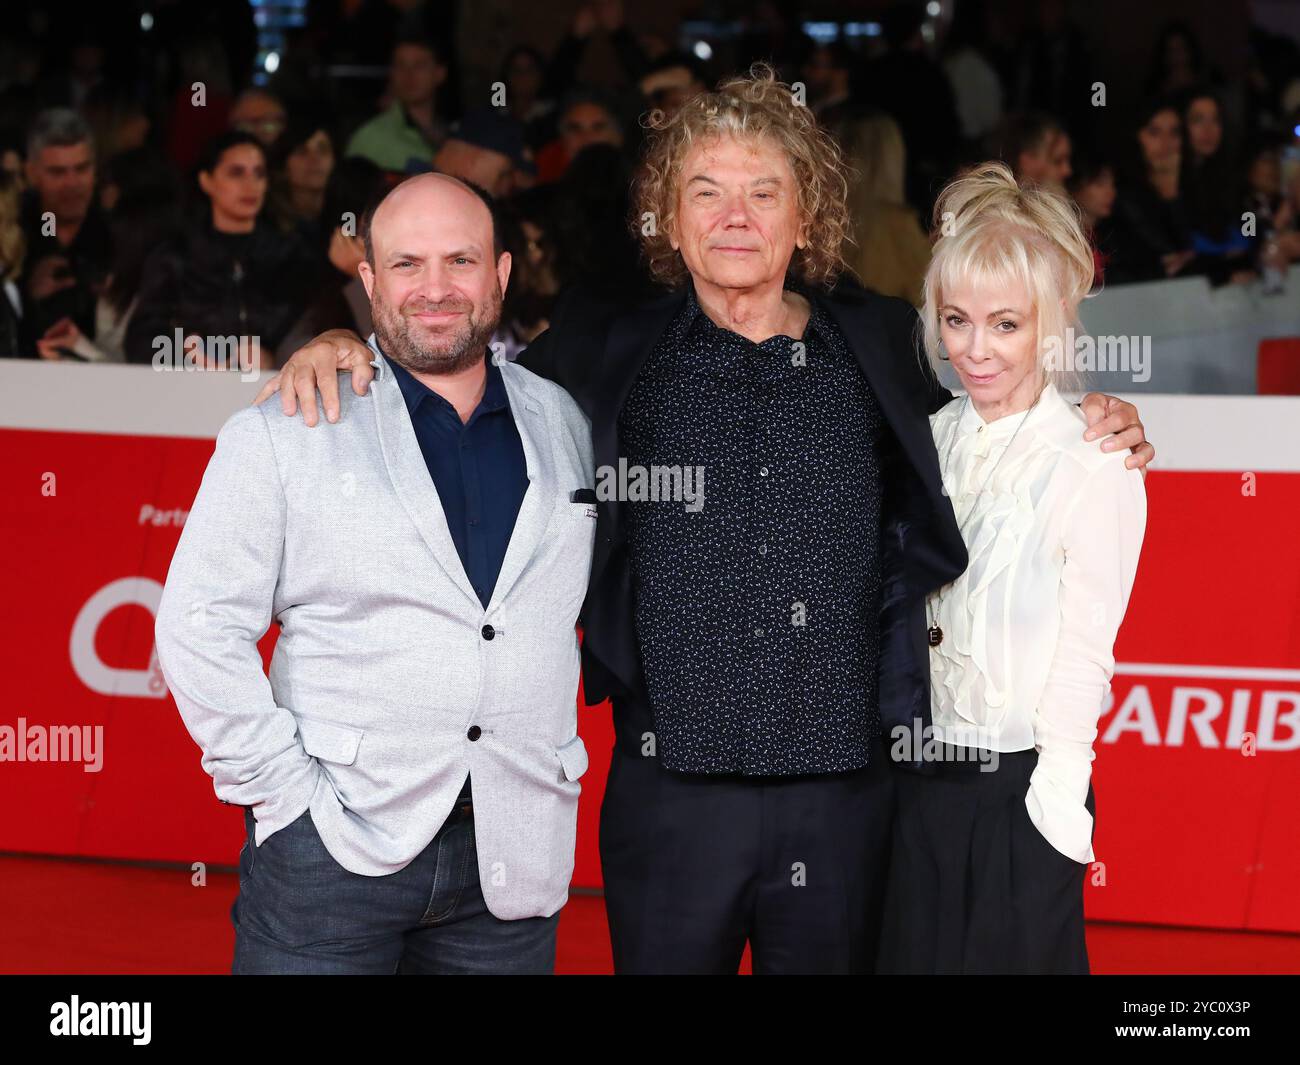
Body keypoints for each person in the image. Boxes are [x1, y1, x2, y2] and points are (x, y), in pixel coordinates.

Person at [256, 66, 1155, 976]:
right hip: (669, 799)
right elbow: (453, 365)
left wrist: (1093, 409)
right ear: (670, 219)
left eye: (764, 192)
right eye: (707, 192)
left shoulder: (885, 343)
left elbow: (999, 402)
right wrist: (344, 342)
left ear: (806, 217)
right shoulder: (606, 348)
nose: (736, 216)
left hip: (847, 802)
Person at [155, 173, 596, 974]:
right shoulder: (287, 428)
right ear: (367, 282)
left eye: (460, 260)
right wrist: (285, 799)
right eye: (406, 264)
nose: (435, 289)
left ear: (501, 275)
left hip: (513, 858)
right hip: (331, 856)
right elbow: (197, 625)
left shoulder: (561, 420)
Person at [876, 162, 1147, 974]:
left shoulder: (1095, 461)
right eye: (956, 320)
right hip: (915, 788)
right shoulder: (929, 437)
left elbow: (1084, 658)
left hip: (1023, 797)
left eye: (1005, 324)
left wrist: (1056, 812)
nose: (974, 349)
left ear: (1052, 322)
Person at [125, 131, 313, 367]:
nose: (250, 185)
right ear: (207, 181)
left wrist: (276, 358)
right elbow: (141, 341)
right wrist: (191, 357)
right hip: (194, 391)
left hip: (277, 388)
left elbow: (314, 329)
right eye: (236, 173)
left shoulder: (291, 255)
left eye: (259, 173)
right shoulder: (176, 255)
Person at [18, 108, 112, 351]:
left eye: (81, 169)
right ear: (31, 173)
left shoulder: (119, 233)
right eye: (57, 172)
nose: (72, 184)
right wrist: (23, 296)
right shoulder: (11, 232)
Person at [346, 35, 448, 176]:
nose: (408, 75)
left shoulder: (454, 132)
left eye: (419, 65)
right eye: (400, 65)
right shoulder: (370, 138)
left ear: (440, 73)